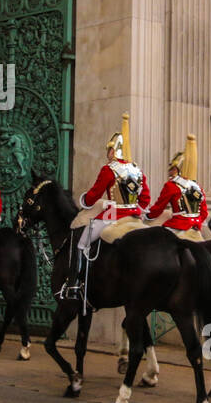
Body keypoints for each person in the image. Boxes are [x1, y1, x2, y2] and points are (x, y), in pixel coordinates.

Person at [60, 113, 150, 299]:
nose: (107, 154)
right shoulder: (138, 170)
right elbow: (146, 198)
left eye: (109, 150)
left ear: (115, 151)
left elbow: (94, 195)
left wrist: (84, 201)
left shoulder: (109, 170)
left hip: (113, 217)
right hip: (134, 218)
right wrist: (136, 209)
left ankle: (75, 284)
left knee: (82, 243)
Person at [147, 133, 207, 240]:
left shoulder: (171, 186)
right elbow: (204, 213)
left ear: (179, 169)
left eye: (172, 169)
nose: (169, 172)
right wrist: (194, 222)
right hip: (196, 230)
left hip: (177, 228)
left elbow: (158, 208)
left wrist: (147, 215)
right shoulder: (198, 188)